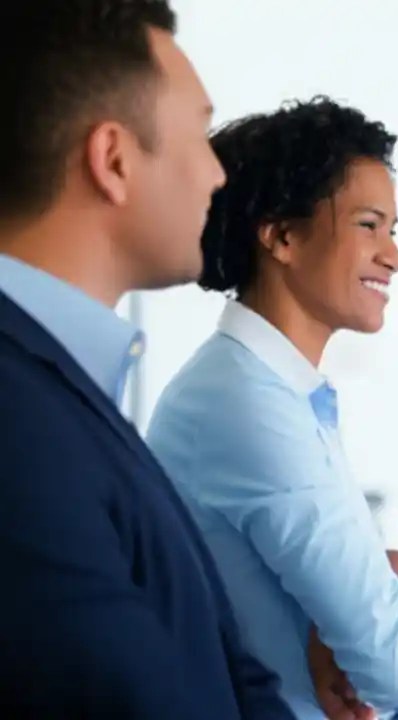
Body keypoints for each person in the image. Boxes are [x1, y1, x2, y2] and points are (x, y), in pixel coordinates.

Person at [0, 0, 293, 716]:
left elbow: (226, 668)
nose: (217, 174)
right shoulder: (16, 414)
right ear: (114, 160)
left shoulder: (61, 381)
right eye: (199, 130)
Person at [145, 97, 398, 720]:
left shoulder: (272, 389)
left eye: (392, 230)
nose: (393, 256)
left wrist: (381, 574)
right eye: (369, 225)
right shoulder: (244, 404)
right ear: (282, 236)